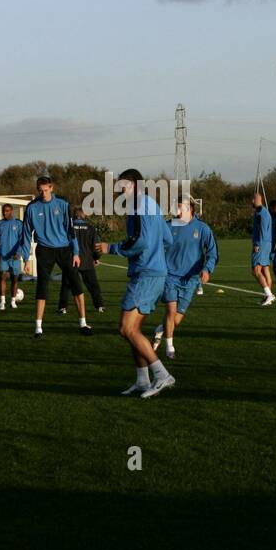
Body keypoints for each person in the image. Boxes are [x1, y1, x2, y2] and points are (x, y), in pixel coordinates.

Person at [97, 170, 174, 397]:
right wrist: (155, 257)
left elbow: (141, 241)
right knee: (133, 330)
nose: (118, 189)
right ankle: (142, 380)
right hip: (153, 272)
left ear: (132, 184)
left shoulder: (140, 205)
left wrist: (111, 248)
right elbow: (167, 239)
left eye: (121, 184)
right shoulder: (149, 205)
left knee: (126, 328)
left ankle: (162, 375)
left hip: (147, 275)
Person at [15, 175, 93, 337]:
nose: (43, 193)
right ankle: (38, 327)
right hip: (44, 251)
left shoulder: (63, 204)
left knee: (76, 285)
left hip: (65, 249)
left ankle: (83, 323)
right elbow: (26, 235)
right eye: (40, 190)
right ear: (37, 190)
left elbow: (70, 230)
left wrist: (76, 252)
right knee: (42, 287)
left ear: (51, 188)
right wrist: (25, 258)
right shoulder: (32, 208)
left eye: (46, 190)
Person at [153, 196, 218, 358]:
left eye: (181, 207)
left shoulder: (203, 229)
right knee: (170, 310)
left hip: (190, 280)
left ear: (191, 209)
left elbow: (212, 253)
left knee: (175, 320)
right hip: (169, 276)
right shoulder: (168, 227)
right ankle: (170, 348)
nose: (178, 210)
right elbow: (155, 246)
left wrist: (207, 269)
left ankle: (160, 330)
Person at [58, 206, 105, 314]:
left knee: (66, 285)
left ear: (74, 215)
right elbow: (96, 246)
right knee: (93, 285)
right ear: (84, 215)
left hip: (71, 260)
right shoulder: (91, 228)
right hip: (87, 261)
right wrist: (96, 258)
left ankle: (62, 307)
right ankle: (99, 306)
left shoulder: (67, 227)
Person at [0, 203, 28, 310]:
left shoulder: (19, 224)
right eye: (3, 211)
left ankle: (13, 301)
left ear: (11, 211)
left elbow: (22, 240)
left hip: (15, 257)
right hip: (3, 256)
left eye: (7, 211)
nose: (4, 213)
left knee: (14, 279)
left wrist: (19, 253)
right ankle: (2, 301)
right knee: (2, 277)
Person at [250, 191, 275, 305]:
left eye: (253, 199)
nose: (252, 201)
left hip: (262, 243)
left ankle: (268, 295)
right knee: (265, 269)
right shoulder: (262, 212)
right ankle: (269, 296)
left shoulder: (261, 214)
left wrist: (257, 245)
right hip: (266, 243)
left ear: (259, 200)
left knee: (256, 270)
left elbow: (263, 231)